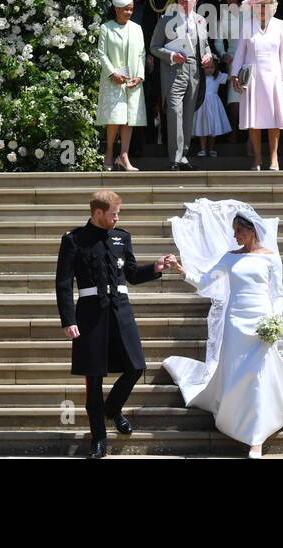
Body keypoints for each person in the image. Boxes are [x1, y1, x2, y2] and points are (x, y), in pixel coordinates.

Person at [162, 203, 283, 458]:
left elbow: (277, 293)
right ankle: (236, 417)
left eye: (238, 231)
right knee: (239, 371)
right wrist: (181, 270)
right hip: (235, 320)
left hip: (262, 320)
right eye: (234, 231)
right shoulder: (230, 257)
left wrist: (274, 321)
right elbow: (205, 282)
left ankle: (256, 435)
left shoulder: (270, 257)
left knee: (257, 375)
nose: (235, 235)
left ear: (252, 231)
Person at [55, 190, 168, 458]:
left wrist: (155, 267)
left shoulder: (122, 237)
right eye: (113, 214)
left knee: (136, 366)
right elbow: (63, 284)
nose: (117, 218)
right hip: (91, 315)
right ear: (98, 213)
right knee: (93, 379)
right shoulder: (74, 240)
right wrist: (68, 320)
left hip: (121, 312)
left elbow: (131, 274)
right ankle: (99, 439)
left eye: (118, 213)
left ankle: (112, 409)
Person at [230, 0, 283, 171]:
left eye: (266, 6)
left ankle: (274, 159)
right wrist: (234, 75)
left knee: (274, 119)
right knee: (254, 119)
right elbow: (240, 53)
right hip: (253, 78)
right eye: (259, 6)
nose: (263, 10)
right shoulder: (248, 25)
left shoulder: (279, 25)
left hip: (273, 77)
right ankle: (257, 158)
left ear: (273, 7)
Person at [149, 0, 212, 171]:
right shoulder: (166, 19)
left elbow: (206, 45)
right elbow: (154, 47)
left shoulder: (201, 20)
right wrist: (171, 56)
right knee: (174, 112)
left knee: (188, 115)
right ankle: (174, 158)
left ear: (196, 0)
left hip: (194, 71)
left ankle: (183, 157)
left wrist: (208, 55)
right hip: (174, 70)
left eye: (187, 1)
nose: (184, 4)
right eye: (181, 0)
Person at [95, 0, 145, 171]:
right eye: (126, 9)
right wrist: (112, 73)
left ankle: (124, 155)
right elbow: (101, 53)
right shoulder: (106, 28)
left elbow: (141, 54)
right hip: (113, 80)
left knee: (129, 118)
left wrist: (139, 76)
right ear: (116, 9)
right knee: (114, 118)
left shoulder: (137, 28)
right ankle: (109, 151)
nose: (129, 12)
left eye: (131, 9)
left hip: (132, 80)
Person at [142, 0, 182, 145]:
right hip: (158, 55)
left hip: (178, 54)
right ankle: (153, 137)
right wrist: (149, 54)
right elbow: (148, 27)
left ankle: (173, 139)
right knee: (155, 96)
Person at [212, 0, 246, 143]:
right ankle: (234, 133)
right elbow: (218, 41)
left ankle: (249, 135)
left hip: (249, 59)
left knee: (250, 96)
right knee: (234, 97)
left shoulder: (249, 12)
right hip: (233, 60)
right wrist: (223, 54)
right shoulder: (222, 18)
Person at [192, 61, 232, 158]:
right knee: (203, 127)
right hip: (202, 104)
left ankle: (211, 149)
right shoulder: (199, 78)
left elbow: (230, 77)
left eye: (212, 67)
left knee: (213, 128)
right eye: (207, 67)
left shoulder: (218, 76)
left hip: (214, 104)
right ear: (202, 68)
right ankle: (203, 149)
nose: (210, 70)